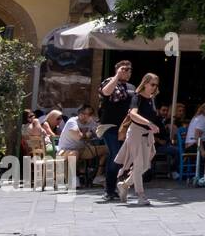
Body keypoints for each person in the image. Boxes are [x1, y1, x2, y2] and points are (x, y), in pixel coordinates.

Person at [113, 73, 160, 205]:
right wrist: (149, 123)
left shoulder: (152, 98)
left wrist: (153, 126)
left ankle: (124, 184)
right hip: (136, 133)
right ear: (145, 83)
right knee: (139, 165)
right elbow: (133, 114)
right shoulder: (137, 97)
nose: (154, 87)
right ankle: (140, 195)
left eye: (156, 85)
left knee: (145, 165)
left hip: (147, 134)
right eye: (152, 84)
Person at [97, 60, 136, 202]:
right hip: (110, 126)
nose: (127, 72)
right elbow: (106, 92)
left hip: (125, 127)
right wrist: (117, 76)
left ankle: (116, 186)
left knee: (123, 157)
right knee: (116, 154)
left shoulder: (132, 87)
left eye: (129, 70)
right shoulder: (109, 82)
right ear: (117, 70)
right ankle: (109, 189)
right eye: (124, 69)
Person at [58, 106, 106, 187]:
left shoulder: (90, 122)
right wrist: (87, 135)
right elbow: (78, 136)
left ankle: (97, 177)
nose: (90, 116)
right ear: (81, 114)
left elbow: (100, 135)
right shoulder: (72, 121)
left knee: (106, 149)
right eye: (88, 114)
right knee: (74, 153)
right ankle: (72, 179)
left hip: (82, 150)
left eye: (91, 114)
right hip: (65, 150)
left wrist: (99, 126)